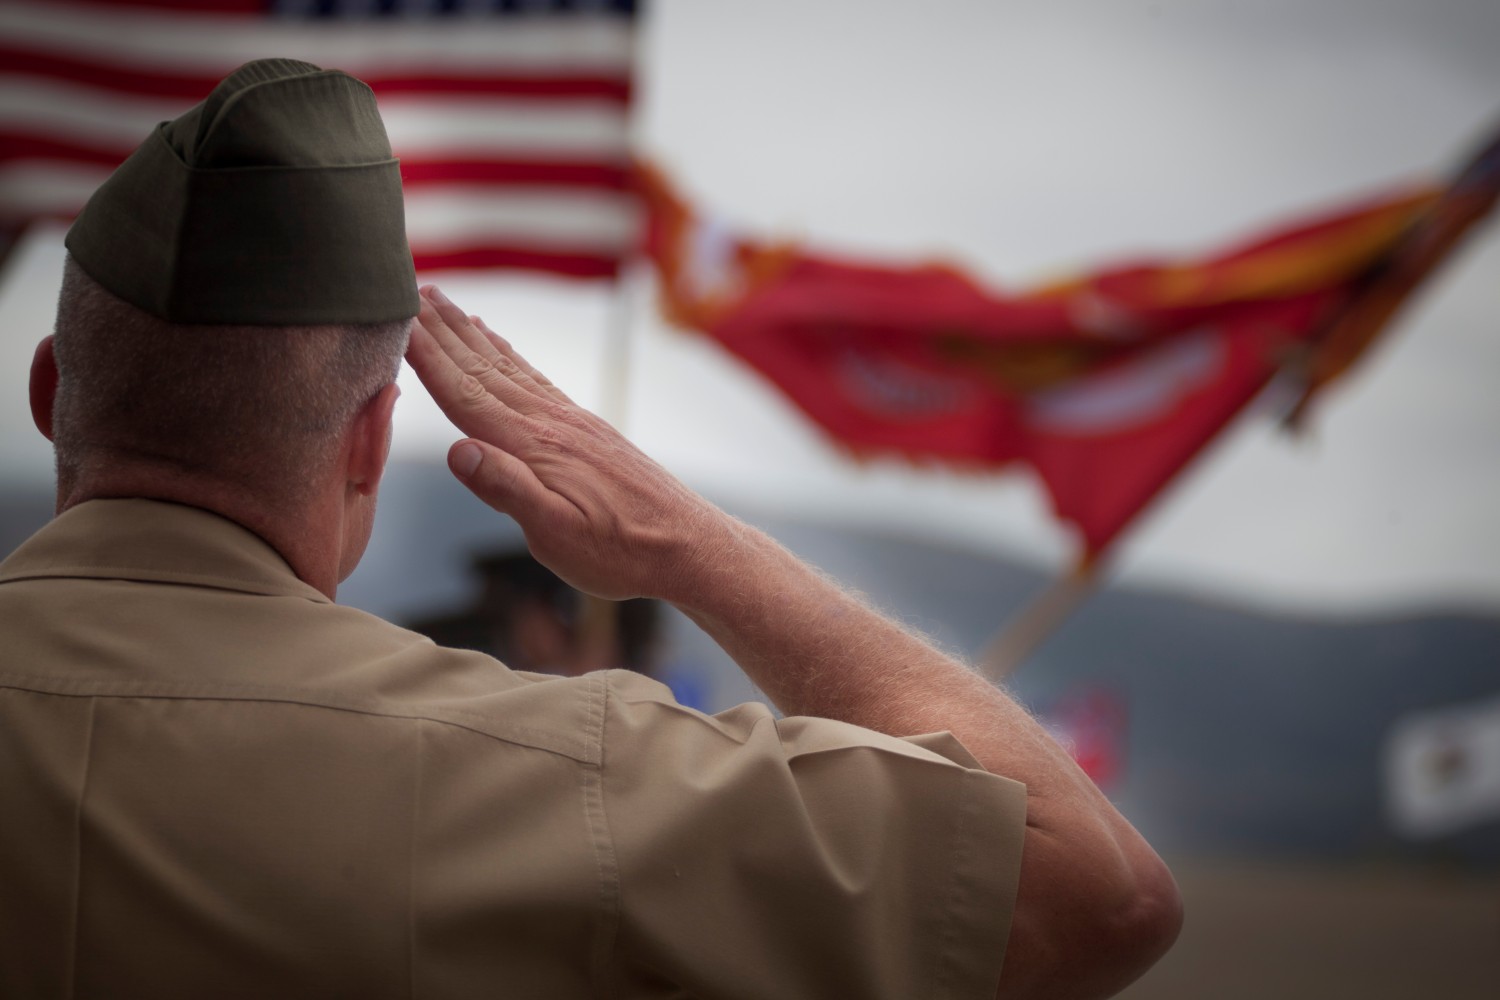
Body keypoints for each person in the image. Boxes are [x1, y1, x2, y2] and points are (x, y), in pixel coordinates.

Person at [0, 59, 1180, 999]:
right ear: (369, 443)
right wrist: (682, 535)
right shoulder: (566, 784)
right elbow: (1099, 895)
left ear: (52, 393)